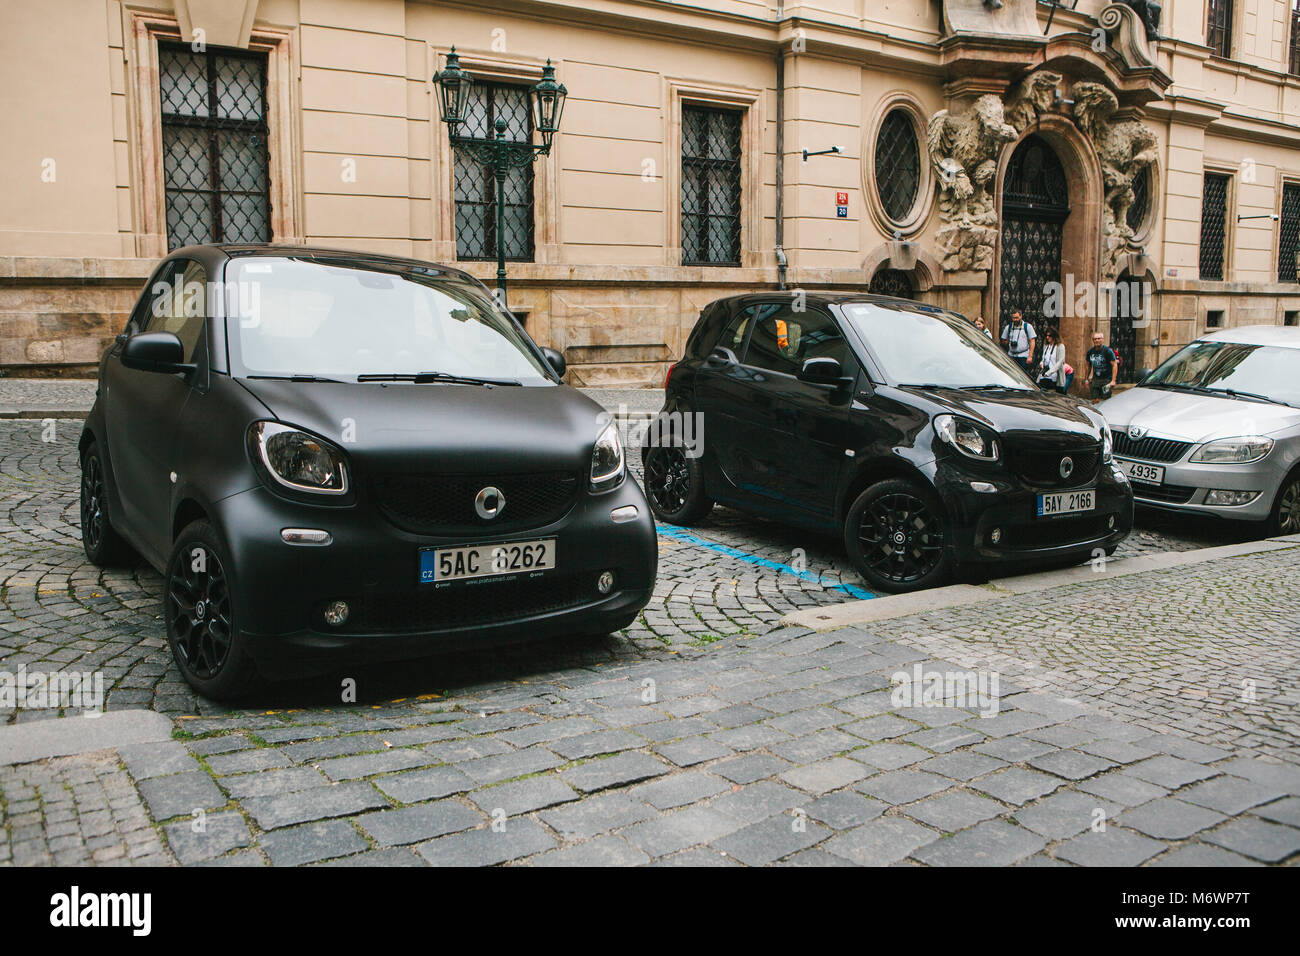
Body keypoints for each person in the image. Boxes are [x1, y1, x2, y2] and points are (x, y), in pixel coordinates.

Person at [1085, 331, 1118, 402]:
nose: (1097, 340)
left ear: (1102, 339)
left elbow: (1114, 365)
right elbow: (1088, 366)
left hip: (1106, 380)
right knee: (1094, 400)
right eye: (1095, 339)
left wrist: (1113, 380)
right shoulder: (1090, 352)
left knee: (1105, 400)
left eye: (1099, 338)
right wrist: (1086, 379)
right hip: (1095, 380)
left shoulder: (1108, 351)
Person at [1000, 310, 1036, 374]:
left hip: (1023, 355)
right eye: (1013, 318)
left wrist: (1030, 356)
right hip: (1011, 355)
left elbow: (1032, 341)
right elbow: (1003, 340)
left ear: (1021, 316)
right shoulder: (1009, 327)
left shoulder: (1027, 327)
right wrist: (1008, 342)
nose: (1015, 320)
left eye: (1017, 318)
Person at [1036, 328, 1067, 394]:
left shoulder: (1060, 346)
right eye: (1046, 335)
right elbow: (1043, 359)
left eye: (1050, 336)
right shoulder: (1046, 346)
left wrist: (1049, 372)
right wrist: (1042, 363)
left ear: (1054, 336)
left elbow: (1060, 362)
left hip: (1054, 376)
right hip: (1045, 376)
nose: (1047, 337)